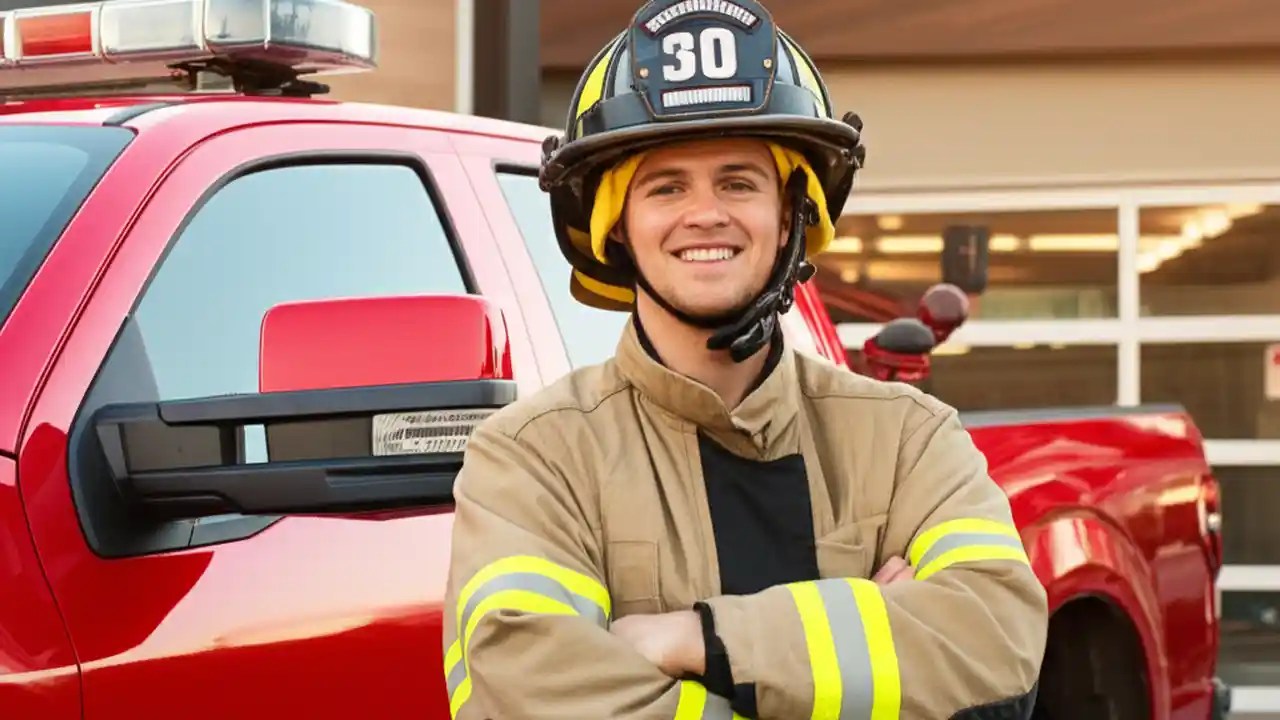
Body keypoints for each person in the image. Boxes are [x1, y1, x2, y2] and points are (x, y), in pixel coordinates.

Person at [441, 0, 1049, 717]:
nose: (706, 213)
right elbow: (530, 692)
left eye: (739, 181)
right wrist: (861, 638)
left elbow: (996, 648)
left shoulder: (909, 439)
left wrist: (694, 640)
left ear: (792, 214)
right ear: (615, 227)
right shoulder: (530, 458)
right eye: (666, 186)